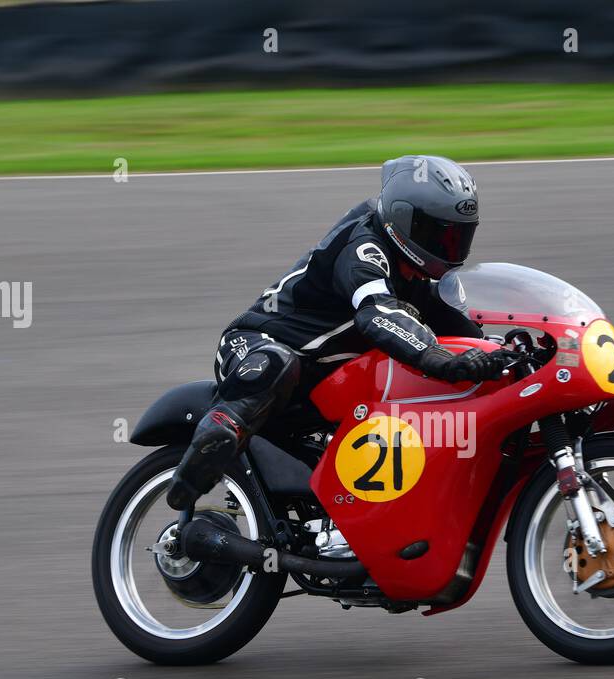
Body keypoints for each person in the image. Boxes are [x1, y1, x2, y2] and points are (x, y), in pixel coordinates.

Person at [166, 155, 514, 510]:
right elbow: (377, 314)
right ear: (401, 218)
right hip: (255, 346)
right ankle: (202, 460)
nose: (448, 246)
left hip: (325, 378)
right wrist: (436, 357)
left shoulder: (423, 278)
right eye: (438, 233)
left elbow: (469, 334)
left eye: (457, 235)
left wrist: (503, 354)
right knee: (277, 363)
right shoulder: (364, 248)